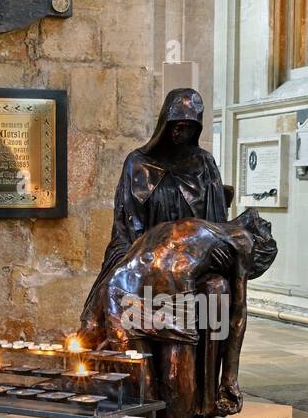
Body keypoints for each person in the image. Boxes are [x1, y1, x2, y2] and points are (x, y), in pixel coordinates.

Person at [83, 210, 278, 418]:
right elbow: (237, 316)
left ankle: (100, 388)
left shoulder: (187, 227)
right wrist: (230, 379)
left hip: (124, 292)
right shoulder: (244, 240)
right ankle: (95, 388)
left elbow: (121, 264)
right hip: (139, 298)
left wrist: (93, 316)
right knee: (164, 412)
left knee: (148, 406)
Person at [78, 88, 230, 338]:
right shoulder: (137, 163)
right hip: (146, 258)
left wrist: (220, 248)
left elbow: (216, 224)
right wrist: (139, 259)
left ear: (197, 129)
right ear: (164, 124)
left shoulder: (204, 164)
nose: (181, 133)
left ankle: (216, 376)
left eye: (188, 127)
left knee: (218, 288)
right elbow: (125, 225)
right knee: (121, 287)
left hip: (193, 260)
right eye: (176, 126)